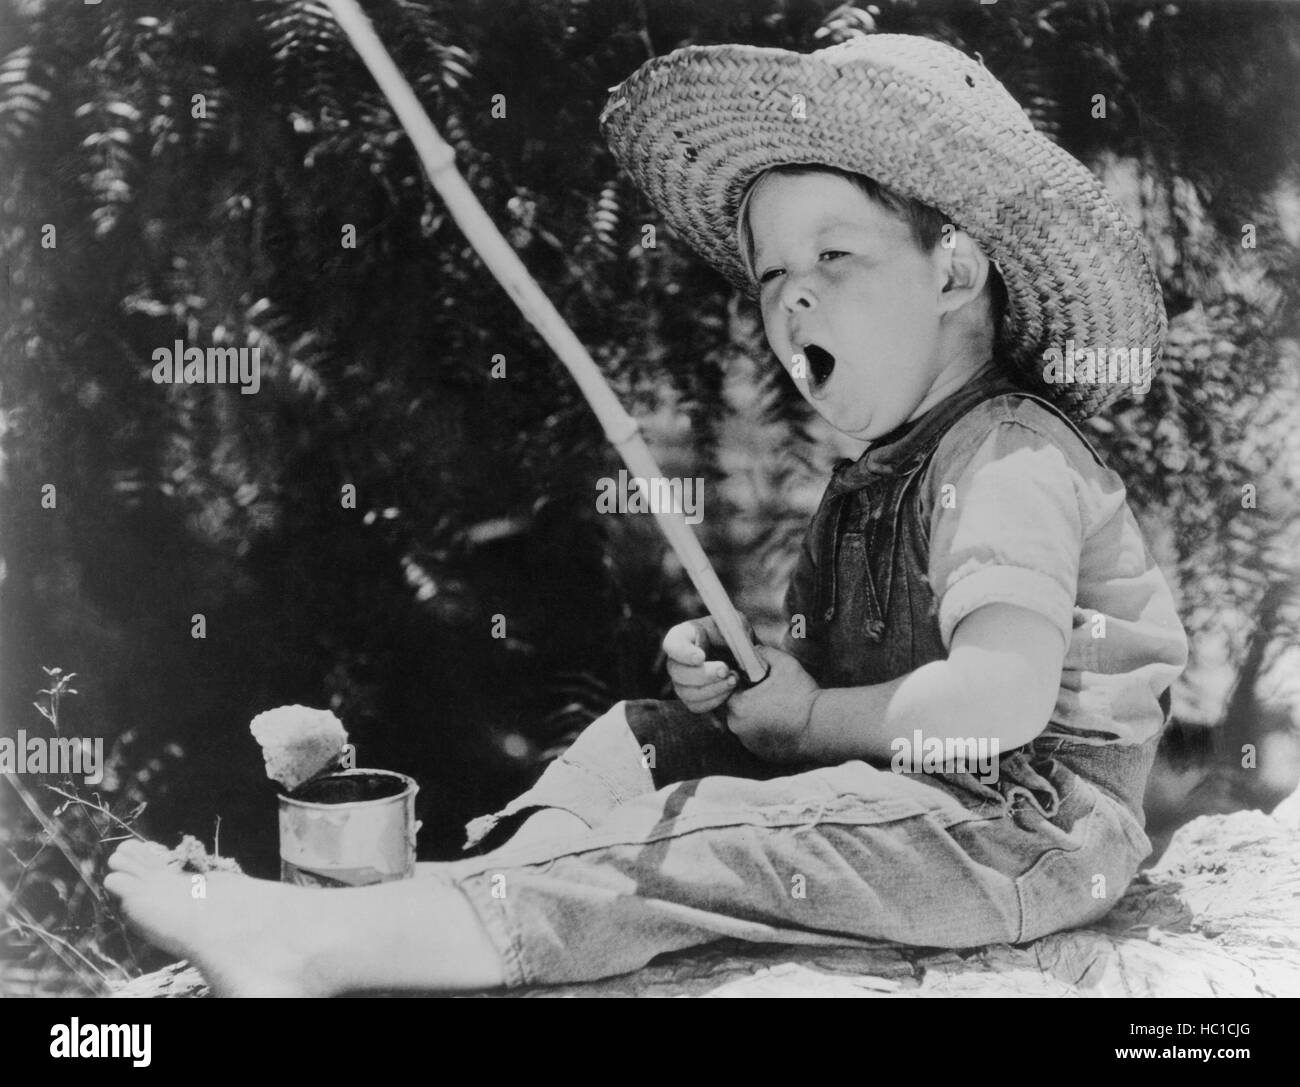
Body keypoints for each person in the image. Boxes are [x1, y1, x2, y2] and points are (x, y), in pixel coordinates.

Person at [105, 33, 1188, 996]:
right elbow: (837, 685)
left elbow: (996, 699)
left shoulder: (1008, 454)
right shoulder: (875, 481)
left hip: (1017, 829)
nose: (791, 297)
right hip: (907, 799)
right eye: (769, 274)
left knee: (722, 833)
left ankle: (326, 944)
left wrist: (808, 725)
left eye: (833, 256)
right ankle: (469, 893)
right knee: (648, 737)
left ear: (954, 267)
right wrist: (749, 681)